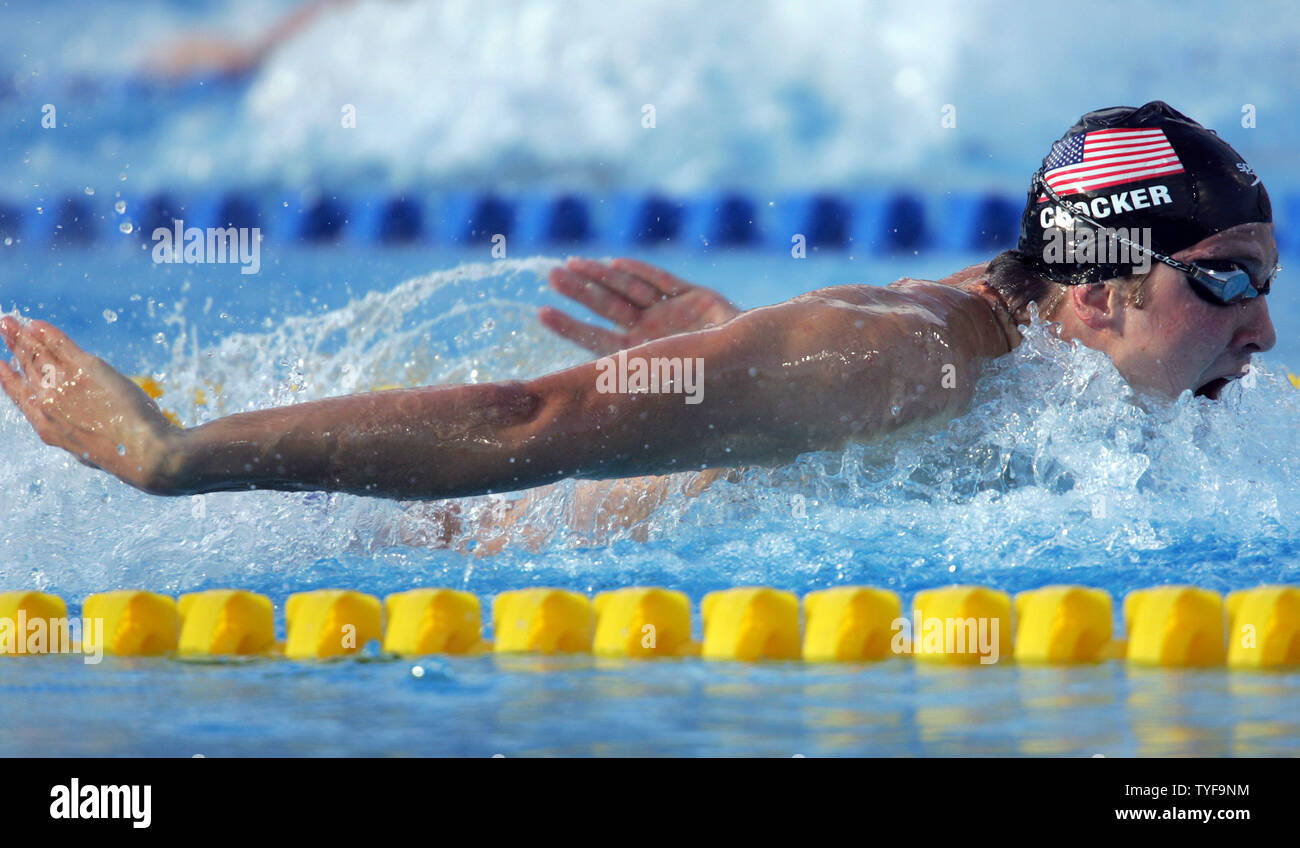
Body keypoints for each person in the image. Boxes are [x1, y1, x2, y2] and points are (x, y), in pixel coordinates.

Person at [0, 103, 1278, 549]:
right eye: (1225, 280)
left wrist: (743, 363)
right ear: (1100, 289)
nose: (1263, 329)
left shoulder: (1012, 341)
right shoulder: (907, 352)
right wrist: (172, 453)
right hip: (431, 545)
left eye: (1267, 282)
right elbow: (529, 417)